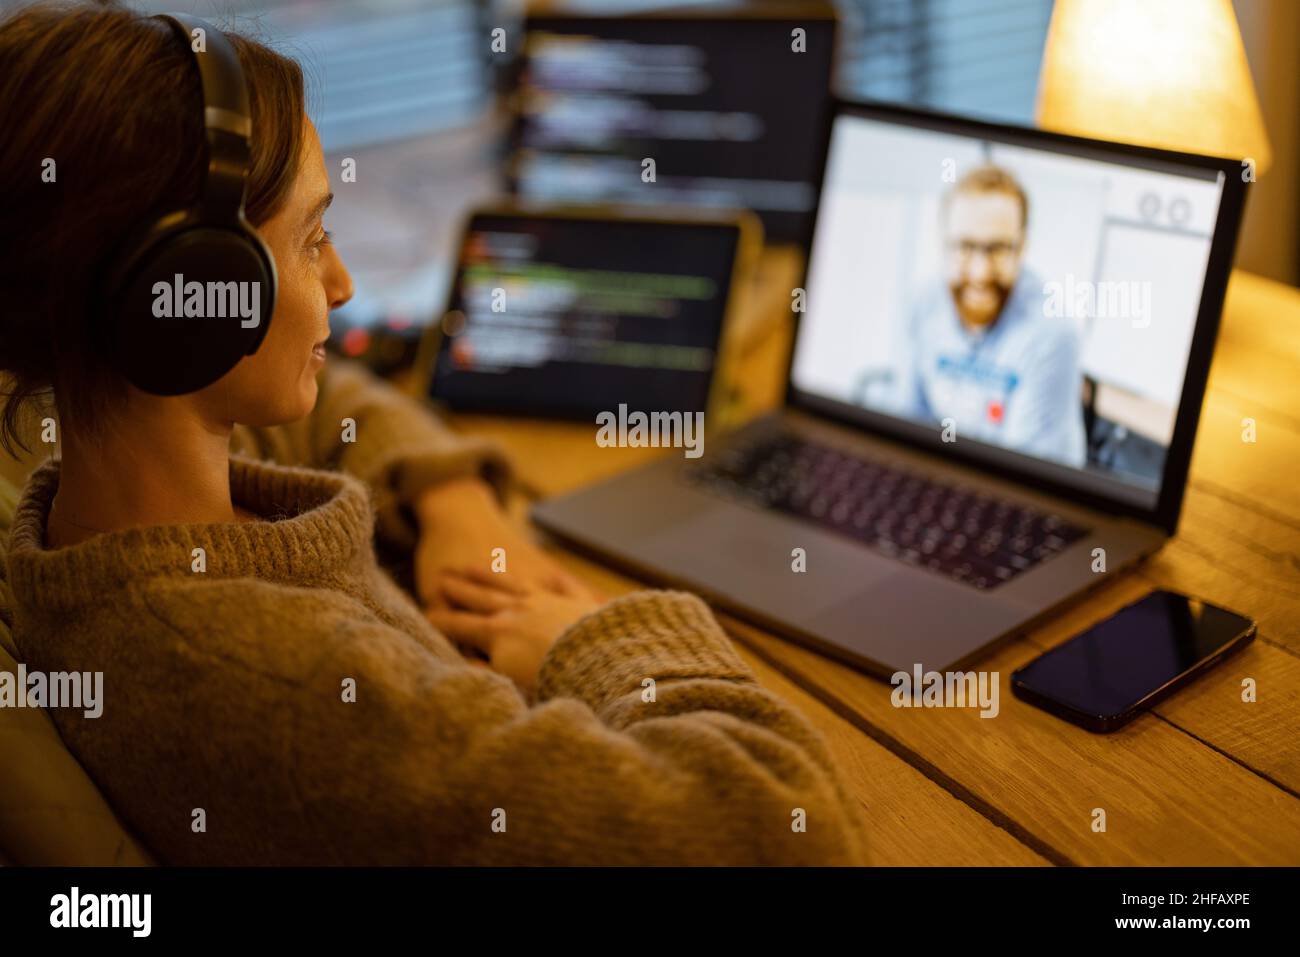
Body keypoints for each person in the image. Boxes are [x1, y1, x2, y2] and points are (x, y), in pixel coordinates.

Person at [0, 1, 866, 865]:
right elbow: (787, 823)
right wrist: (592, 641)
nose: (341, 284)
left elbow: (339, 399)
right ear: (183, 295)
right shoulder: (275, 681)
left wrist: (453, 500)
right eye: (310, 240)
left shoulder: (104, 478)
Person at [871, 165, 1087, 467]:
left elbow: (1028, 477)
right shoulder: (921, 304)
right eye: (965, 246)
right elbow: (904, 427)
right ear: (943, 243)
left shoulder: (1053, 334)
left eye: (998, 249)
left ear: (1022, 247)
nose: (980, 273)